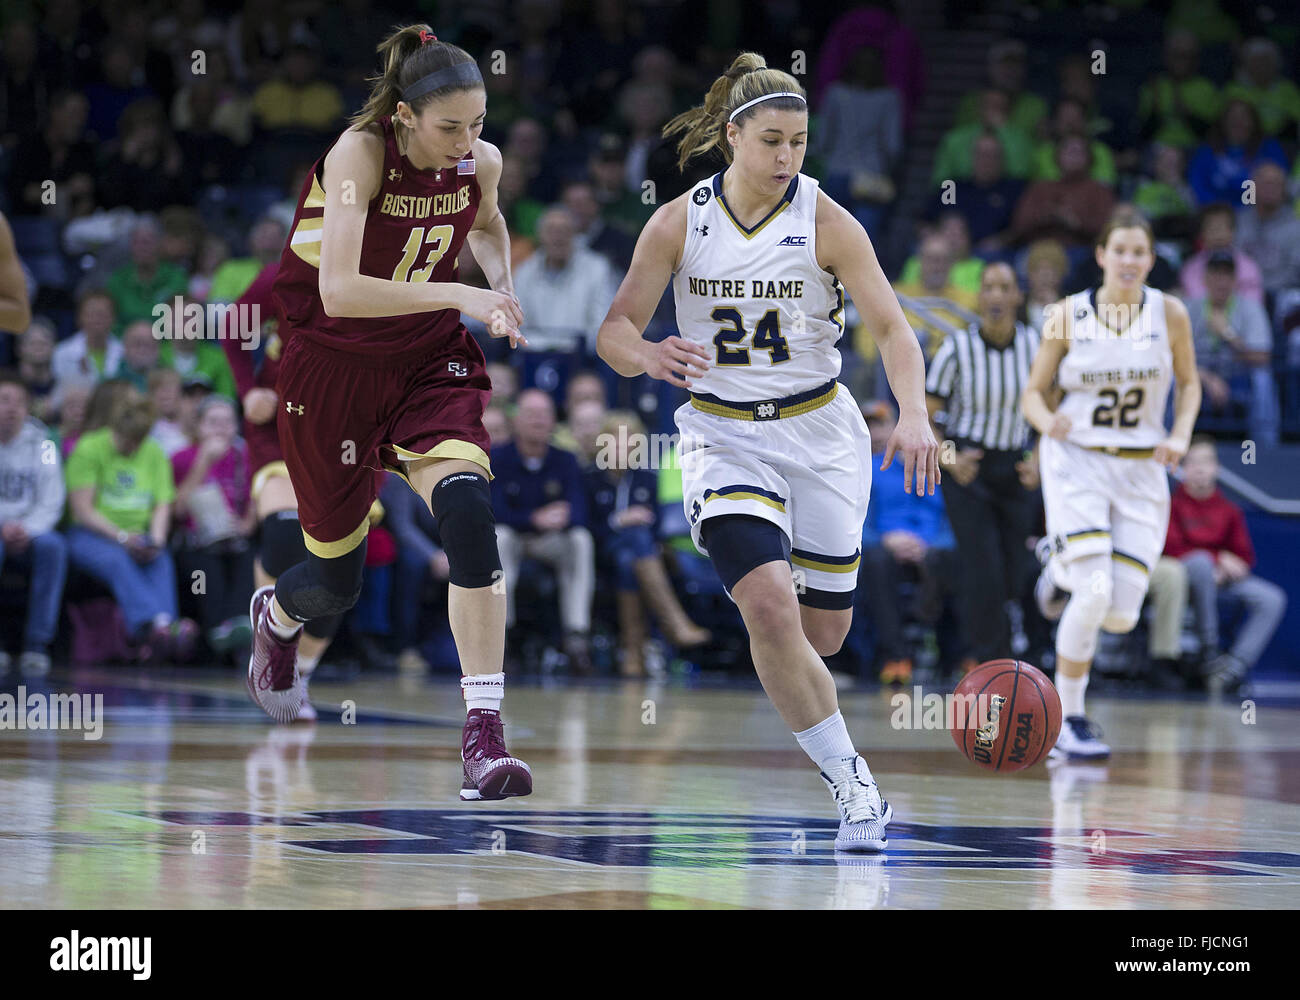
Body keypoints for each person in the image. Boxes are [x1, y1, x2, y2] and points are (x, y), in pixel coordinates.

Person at [597, 53, 938, 851]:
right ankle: (854, 785)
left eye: (800, 142)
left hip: (819, 432)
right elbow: (614, 330)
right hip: (722, 434)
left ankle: (822, 721)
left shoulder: (828, 220)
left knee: (823, 638)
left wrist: (915, 412)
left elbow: (892, 327)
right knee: (767, 607)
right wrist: (649, 356)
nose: (787, 158)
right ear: (732, 137)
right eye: (773, 141)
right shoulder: (679, 221)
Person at [250, 26, 533, 802]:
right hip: (330, 368)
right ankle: (277, 617)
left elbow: (486, 222)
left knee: (470, 512)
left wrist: (501, 289)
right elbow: (339, 289)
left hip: (425, 361)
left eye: (478, 124)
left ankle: (483, 734)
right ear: (406, 115)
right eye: (451, 127)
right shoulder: (359, 154)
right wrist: (462, 291)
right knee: (335, 583)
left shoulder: (480, 161)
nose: (467, 142)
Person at [1023, 207, 1201, 761]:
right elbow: (1032, 391)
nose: (1129, 260)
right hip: (1078, 460)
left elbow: (1191, 384)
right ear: (1101, 255)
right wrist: (1045, 420)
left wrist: (1180, 434)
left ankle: (1056, 568)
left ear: (1151, 260)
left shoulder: (1170, 313)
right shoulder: (1065, 315)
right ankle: (1067, 719)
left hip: (1143, 467)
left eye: (1139, 252)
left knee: (1121, 614)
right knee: (1094, 591)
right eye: (1119, 250)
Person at [926, 262, 1041, 675]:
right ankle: (993, 664)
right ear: (980, 298)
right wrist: (950, 459)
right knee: (984, 568)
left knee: (1015, 568)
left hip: (1015, 467)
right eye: (988, 287)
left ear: (1017, 297)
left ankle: (994, 653)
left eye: (1004, 287)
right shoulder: (956, 348)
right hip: (969, 468)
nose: (995, 295)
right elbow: (927, 413)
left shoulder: (1036, 346)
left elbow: (1055, 409)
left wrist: (1039, 459)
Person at [64, 389, 198, 662]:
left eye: (139, 441)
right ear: (115, 428)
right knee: (117, 560)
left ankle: (164, 632)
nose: (133, 447)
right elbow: (83, 510)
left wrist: (157, 540)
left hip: (138, 535)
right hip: (89, 534)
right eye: (128, 440)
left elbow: (162, 504)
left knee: (160, 558)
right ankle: (152, 627)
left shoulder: (153, 451)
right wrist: (123, 537)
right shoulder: (90, 447)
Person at [584, 409, 709, 676]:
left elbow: (658, 527)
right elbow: (585, 525)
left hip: (639, 557)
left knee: (630, 558)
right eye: (615, 438)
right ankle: (672, 624)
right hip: (599, 553)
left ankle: (633, 652)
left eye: (630, 438)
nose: (623, 444)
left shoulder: (647, 480)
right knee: (635, 537)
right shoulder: (590, 479)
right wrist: (619, 521)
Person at [1165, 438, 1286, 691]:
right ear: (1183, 468)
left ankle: (1233, 668)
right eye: (1193, 462)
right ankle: (1209, 649)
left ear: (1217, 468)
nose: (1199, 468)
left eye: (1206, 462)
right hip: (1183, 577)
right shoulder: (1172, 505)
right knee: (1199, 563)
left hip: (1221, 580)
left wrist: (1234, 566)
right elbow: (1171, 549)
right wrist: (1216, 559)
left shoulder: (1229, 509)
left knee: (1271, 598)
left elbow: (1244, 557)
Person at [491, 388, 596, 673]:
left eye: (545, 414)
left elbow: (580, 511)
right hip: (515, 537)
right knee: (499, 538)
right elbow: (493, 511)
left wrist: (563, 517)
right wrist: (534, 518)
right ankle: (503, 638)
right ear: (516, 420)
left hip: (550, 540)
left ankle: (576, 637)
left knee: (580, 540)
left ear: (554, 421)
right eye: (531, 414)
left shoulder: (566, 459)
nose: (538, 420)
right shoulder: (498, 457)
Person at [859, 400, 957, 685]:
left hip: (932, 551)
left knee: (952, 557)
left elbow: (953, 524)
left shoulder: (944, 470)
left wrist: (929, 544)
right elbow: (858, 524)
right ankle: (897, 657)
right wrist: (887, 540)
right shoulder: (870, 468)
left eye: (881, 424)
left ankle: (955, 658)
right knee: (876, 559)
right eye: (870, 426)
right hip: (886, 551)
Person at [171, 395, 256, 657]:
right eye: (213, 422)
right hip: (195, 540)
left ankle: (239, 626)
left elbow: (255, 497)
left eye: (227, 422)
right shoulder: (182, 458)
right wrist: (204, 462)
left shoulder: (245, 457)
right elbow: (178, 509)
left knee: (249, 558)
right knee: (206, 569)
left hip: (234, 537)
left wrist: (245, 525)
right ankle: (217, 632)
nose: (221, 429)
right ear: (198, 427)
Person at [0, 371, 67, 677]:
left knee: (54, 548)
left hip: (32, 530)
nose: (12, 408)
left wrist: (26, 529)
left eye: (19, 402)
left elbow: (52, 499)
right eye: (3, 400)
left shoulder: (44, 443)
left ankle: (37, 643)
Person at [1186, 250, 1278, 444]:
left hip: (1238, 377)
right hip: (1199, 377)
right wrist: (1207, 378)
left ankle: (1263, 448)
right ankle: (1168, 447)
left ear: (1235, 280)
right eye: (1216, 274)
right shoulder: (1189, 308)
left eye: (1227, 274)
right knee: (1170, 378)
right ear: (1205, 279)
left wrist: (1227, 334)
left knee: (1263, 379)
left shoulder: (1250, 308)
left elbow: (1262, 357)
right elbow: (1173, 357)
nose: (1221, 280)